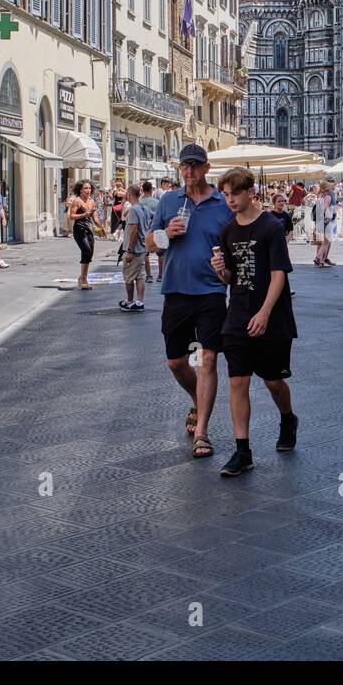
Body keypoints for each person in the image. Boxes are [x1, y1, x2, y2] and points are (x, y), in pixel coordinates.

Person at [209, 167, 300, 477]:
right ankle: (242, 450)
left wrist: (263, 313)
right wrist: (221, 270)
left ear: (250, 192)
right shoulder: (227, 231)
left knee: (274, 381)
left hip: (271, 317)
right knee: (237, 382)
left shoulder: (271, 227)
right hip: (237, 314)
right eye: (226, 194)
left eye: (235, 193)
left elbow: (278, 274)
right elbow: (231, 278)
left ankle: (287, 418)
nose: (230, 199)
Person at [151, 144, 235, 459]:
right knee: (176, 362)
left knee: (209, 359)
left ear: (206, 167)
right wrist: (165, 235)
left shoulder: (222, 205)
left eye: (195, 166)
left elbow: (233, 245)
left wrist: (226, 269)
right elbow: (149, 242)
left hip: (212, 293)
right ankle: (197, 399)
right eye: (184, 166)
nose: (189, 172)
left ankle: (202, 432)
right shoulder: (169, 201)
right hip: (175, 292)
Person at [118, 184, 149, 312]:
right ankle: (139, 301)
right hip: (142, 247)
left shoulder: (133, 210)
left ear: (129, 195)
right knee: (140, 276)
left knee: (129, 277)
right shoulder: (144, 208)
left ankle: (130, 301)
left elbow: (134, 230)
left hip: (134, 249)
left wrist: (129, 250)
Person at [66, 180, 97, 289]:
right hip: (79, 229)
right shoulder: (77, 201)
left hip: (88, 229)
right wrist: (84, 214)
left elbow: (95, 217)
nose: (88, 190)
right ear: (80, 190)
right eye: (85, 188)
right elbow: (71, 216)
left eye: (89, 188)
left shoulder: (92, 201)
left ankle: (82, 277)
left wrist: (101, 228)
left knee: (89, 253)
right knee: (86, 251)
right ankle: (83, 278)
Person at [140, 180, 162, 283]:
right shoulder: (157, 202)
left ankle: (149, 275)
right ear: (151, 190)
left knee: (145, 254)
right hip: (156, 230)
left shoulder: (139, 203)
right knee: (160, 253)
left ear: (142, 190)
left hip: (143, 231)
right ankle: (160, 275)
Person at [313, 180, 335, 267]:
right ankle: (318, 258)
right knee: (326, 241)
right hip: (325, 220)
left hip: (318, 220)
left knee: (320, 242)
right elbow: (325, 208)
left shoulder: (319, 196)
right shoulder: (328, 197)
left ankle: (321, 260)